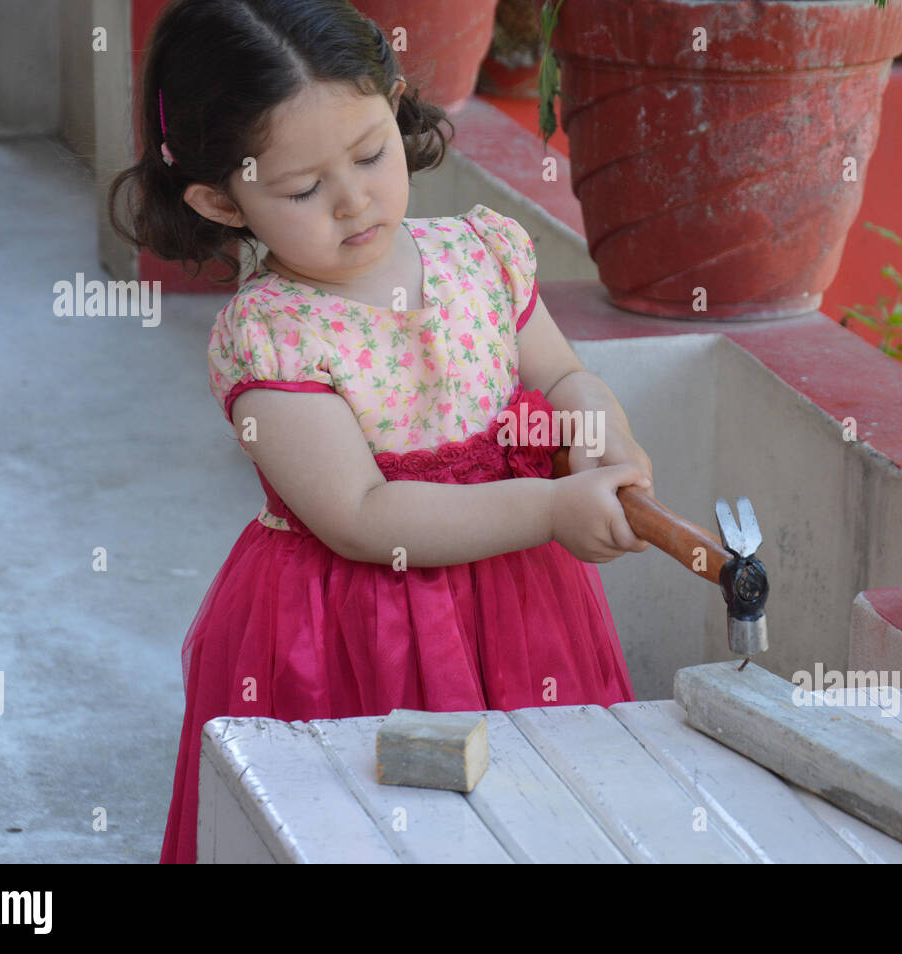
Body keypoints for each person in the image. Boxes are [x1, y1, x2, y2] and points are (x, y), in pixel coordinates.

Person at [108, 0, 656, 864]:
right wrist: (551, 509)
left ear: (397, 108)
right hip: (354, 629)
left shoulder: (481, 253)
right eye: (302, 189)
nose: (355, 199)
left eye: (371, 153)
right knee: (370, 828)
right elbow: (361, 513)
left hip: (520, 604)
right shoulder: (275, 337)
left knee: (533, 814)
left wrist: (600, 432)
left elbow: (558, 374)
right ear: (220, 197)